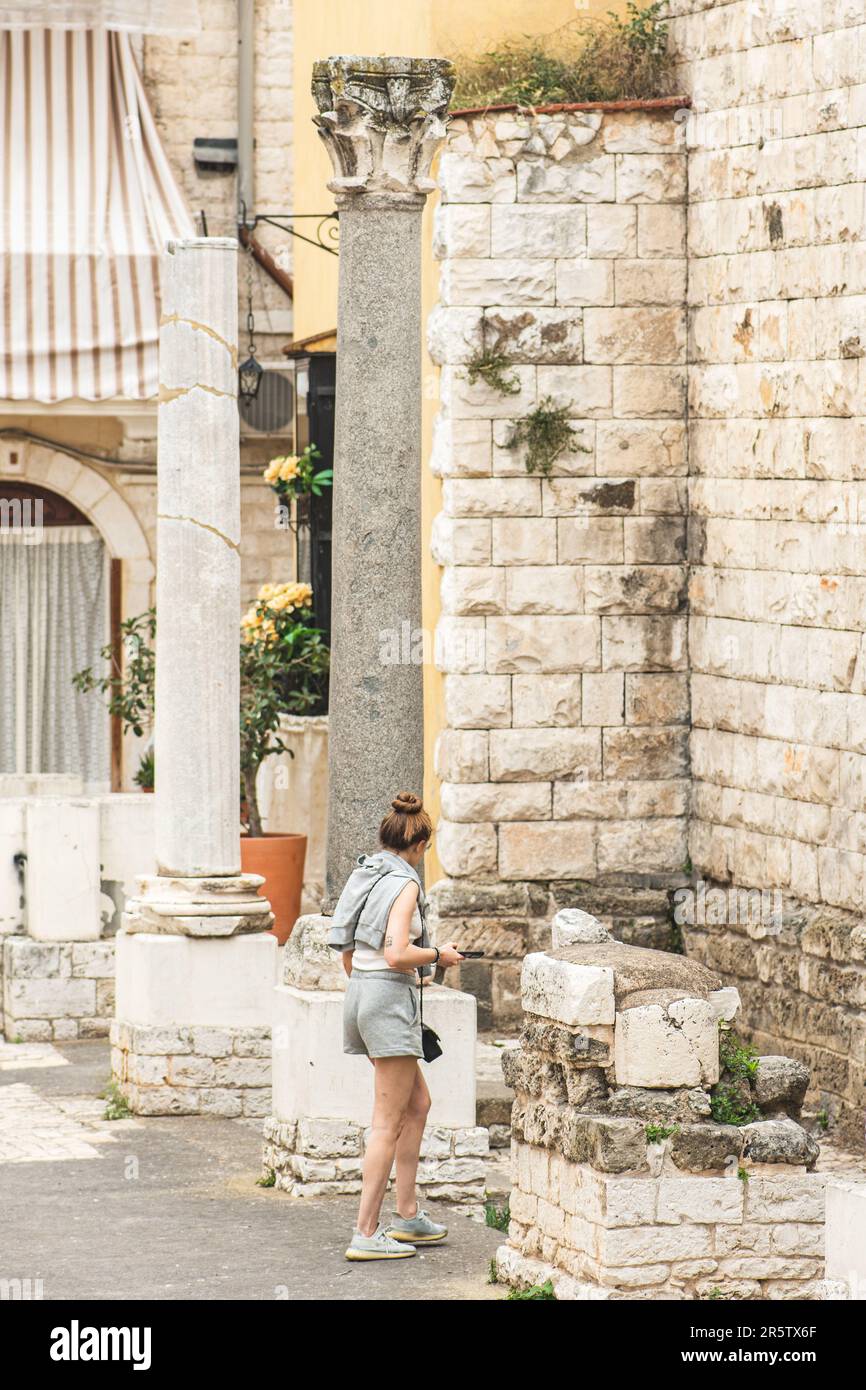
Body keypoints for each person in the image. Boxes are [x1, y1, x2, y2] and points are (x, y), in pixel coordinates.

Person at [328, 791, 464, 1261]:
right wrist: (437, 956)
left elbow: (347, 952)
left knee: (418, 1103)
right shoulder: (404, 885)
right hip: (386, 1001)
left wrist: (375, 986)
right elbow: (396, 952)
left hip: (361, 997)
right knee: (385, 1124)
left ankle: (407, 1215)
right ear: (420, 845)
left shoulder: (365, 873)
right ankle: (365, 1232)